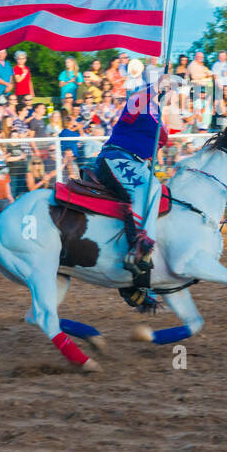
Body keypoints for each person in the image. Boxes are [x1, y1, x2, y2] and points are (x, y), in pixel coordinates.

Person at [95, 83, 171, 308]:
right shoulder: (137, 105)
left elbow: (160, 140)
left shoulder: (156, 117)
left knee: (156, 193)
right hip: (117, 158)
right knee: (148, 189)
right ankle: (140, 244)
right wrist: (157, 85)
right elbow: (139, 99)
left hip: (136, 163)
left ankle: (140, 274)